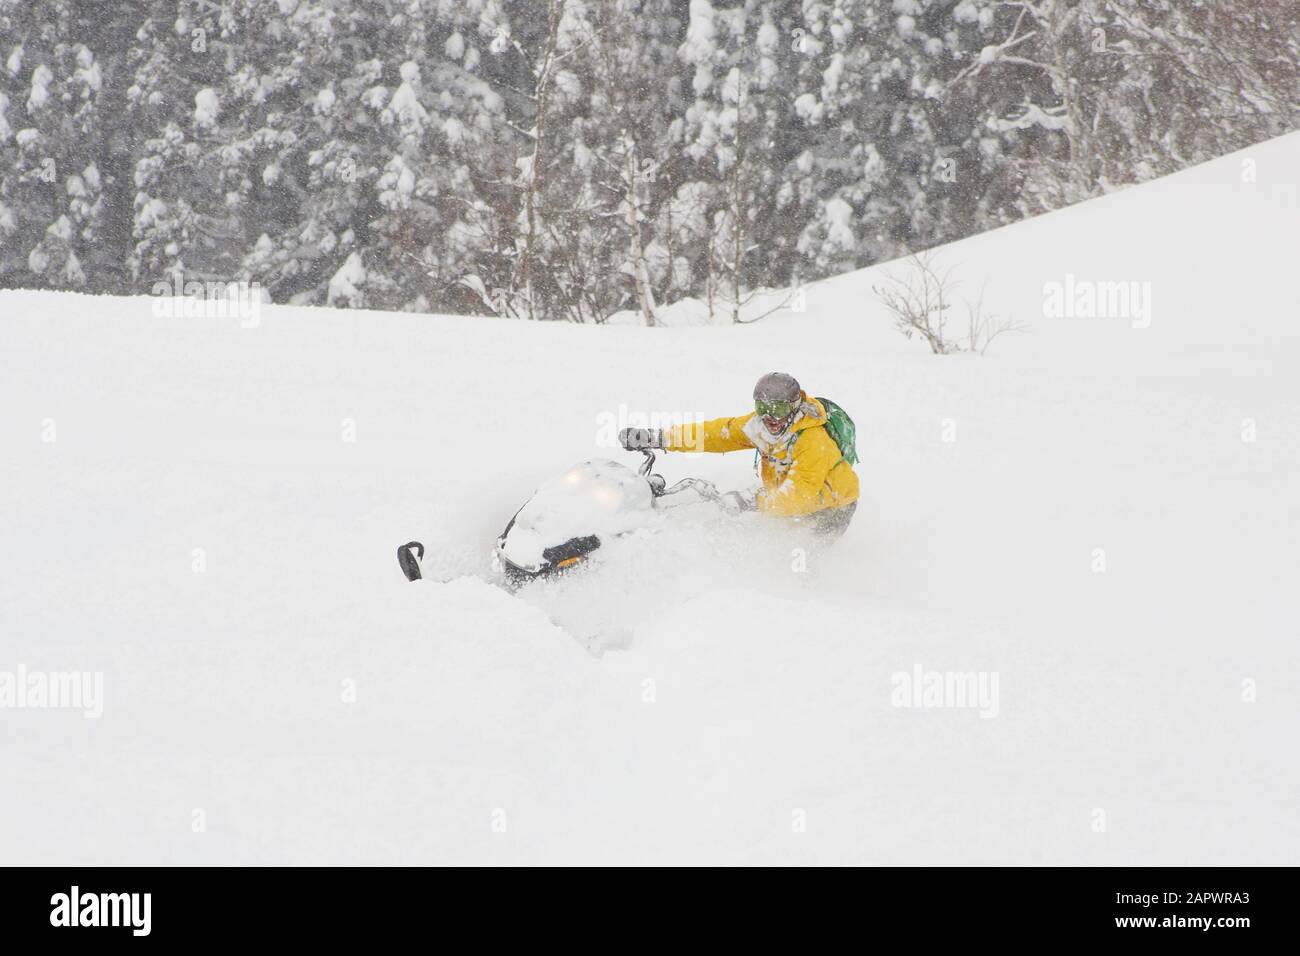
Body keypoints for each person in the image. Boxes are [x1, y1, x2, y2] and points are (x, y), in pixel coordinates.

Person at [618, 372, 859, 536]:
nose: (769, 418)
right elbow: (713, 434)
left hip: (831, 509)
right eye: (762, 408)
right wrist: (658, 438)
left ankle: (808, 596)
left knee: (792, 554)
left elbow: (800, 496)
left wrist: (751, 500)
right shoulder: (762, 426)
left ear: (795, 406)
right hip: (788, 499)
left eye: (779, 409)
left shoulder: (813, 440)